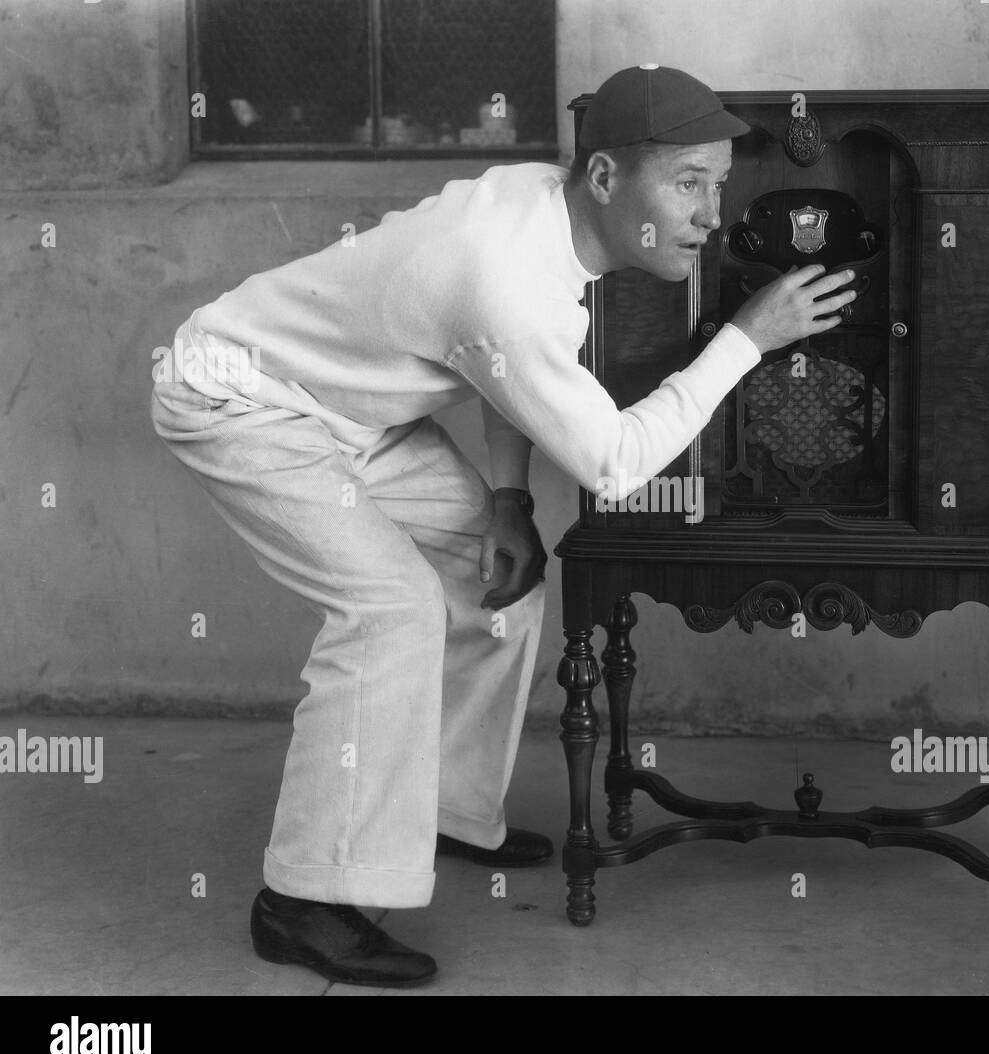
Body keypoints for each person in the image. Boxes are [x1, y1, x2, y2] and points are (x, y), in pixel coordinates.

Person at [149, 63, 856, 987]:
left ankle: (436, 812)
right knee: (391, 610)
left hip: (348, 412)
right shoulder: (507, 278)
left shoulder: (540, 201)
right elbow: (615, 460)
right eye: (687, 183)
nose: (711, 214)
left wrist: (509, 502)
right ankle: (303, 902)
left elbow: (500, 367)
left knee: (500, 591)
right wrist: (747, 341)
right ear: (605, 178)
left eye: (716, 184)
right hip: (238, 397)